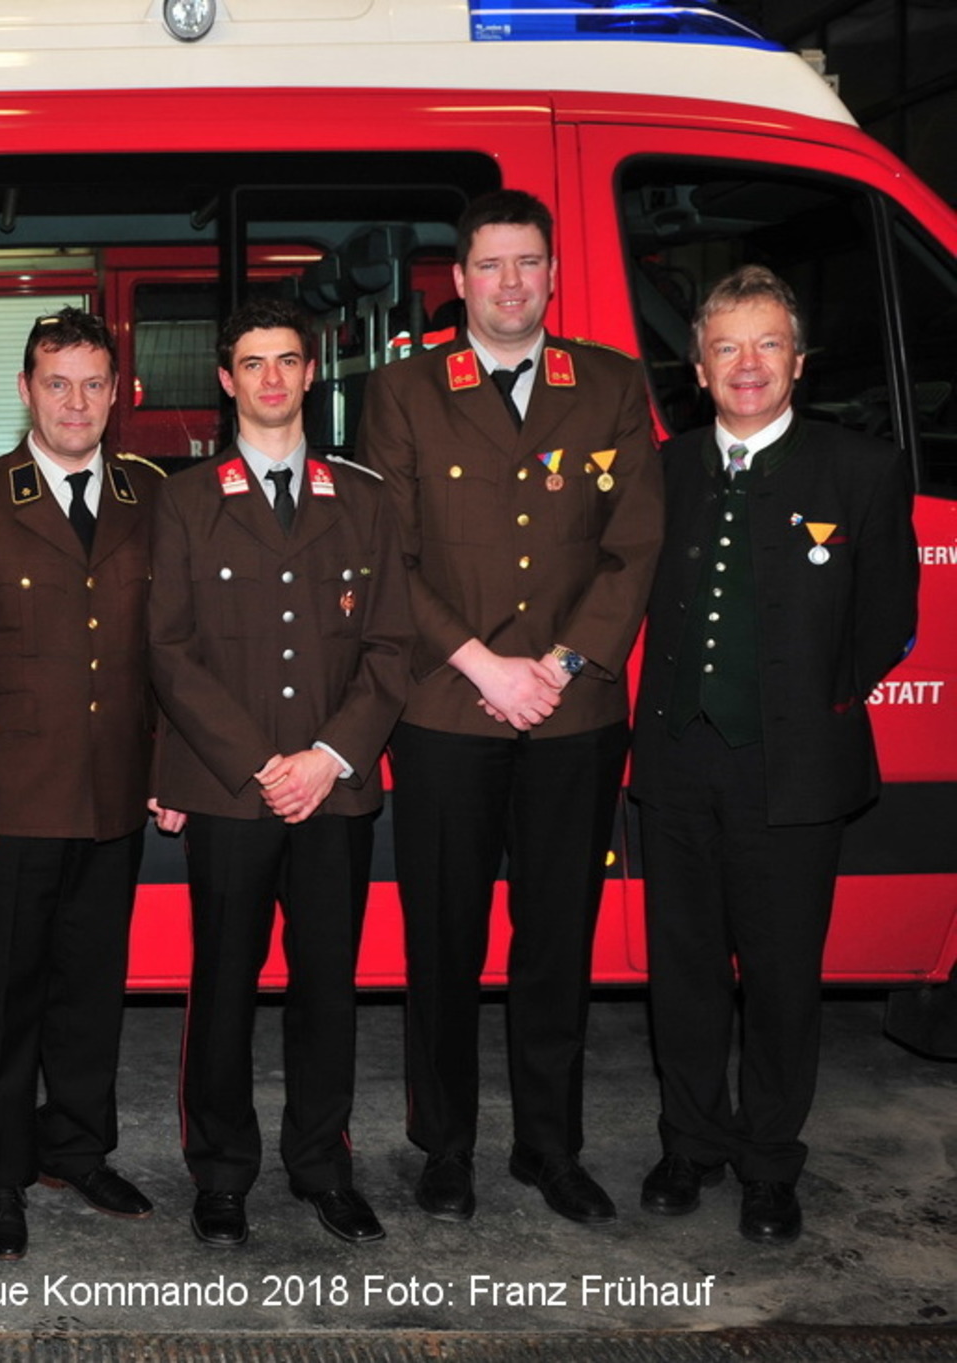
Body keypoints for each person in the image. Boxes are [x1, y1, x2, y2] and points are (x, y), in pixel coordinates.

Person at [359, 189, 663, 1226]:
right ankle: (443, 1147)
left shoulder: (611, 386)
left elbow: (633, 544)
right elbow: (387, 558)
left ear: (551, 273)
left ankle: (549, 1146)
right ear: (457, 280)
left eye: (527, 263)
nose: (508, 284)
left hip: (574, 715)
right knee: (441, 941)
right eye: (488, 265)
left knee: (554, 942)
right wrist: (486, 665)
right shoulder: (401, 391)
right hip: (446, 710)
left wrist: (563, 661)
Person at [630, 265, 917, 1244]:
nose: (744, 364)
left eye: (764, 345)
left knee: (783, 978)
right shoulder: (661, 471)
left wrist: (804, 707)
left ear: (796, 360)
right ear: (696, 364)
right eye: (724, 346)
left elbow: (886, 622)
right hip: (673, 763)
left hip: (791, 772)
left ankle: (765, 1162)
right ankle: (689, 1142)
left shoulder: (860, 469)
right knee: (682, 972)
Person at [150, 300, 412, 1249]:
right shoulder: (183, 500)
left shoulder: (366, 499)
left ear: (311, 374)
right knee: (223, 984)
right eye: (251, 363)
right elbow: (169, 650)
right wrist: (264, 763)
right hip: (232, 788)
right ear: (226, 380)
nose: (269, 379)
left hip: (334, 787)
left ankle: (321, 1164)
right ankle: (220, 1173)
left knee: (326, 988)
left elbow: (390, 645)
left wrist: (326, 757)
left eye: (286, 362)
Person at [0, 306, 165, 1260]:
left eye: (93, 383)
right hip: (7, 799)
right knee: (7, 993)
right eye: (56, 382)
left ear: (117, 394)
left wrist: (169, 767)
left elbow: (165, 650)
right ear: (24, 391)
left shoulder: (149, 496)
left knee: (92, 991)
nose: (75, 401)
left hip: (113, 790)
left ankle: (78, 1146)